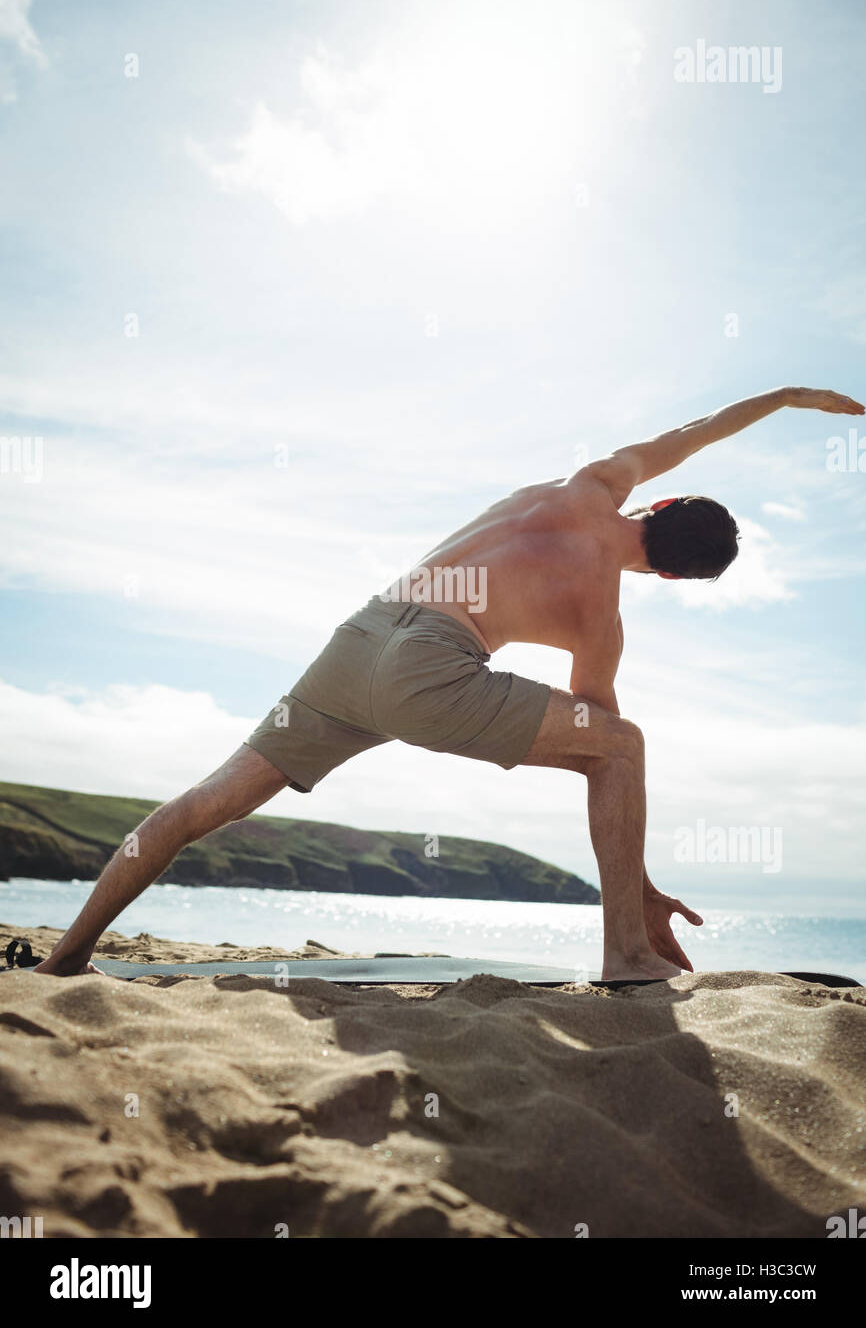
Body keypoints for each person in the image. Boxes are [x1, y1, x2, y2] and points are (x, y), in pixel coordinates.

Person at [35, 385, 862, 980]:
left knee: (203, 804)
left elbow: (699, 427)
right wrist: (639, 883)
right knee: (623, 747)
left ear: (662, 498)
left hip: (358, 636)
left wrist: (787, 398)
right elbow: (598, 740)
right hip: (430, 668)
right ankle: (625, 952)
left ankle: (67, 954)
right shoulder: (599, 616)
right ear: (678, 579)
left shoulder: (597, 480)